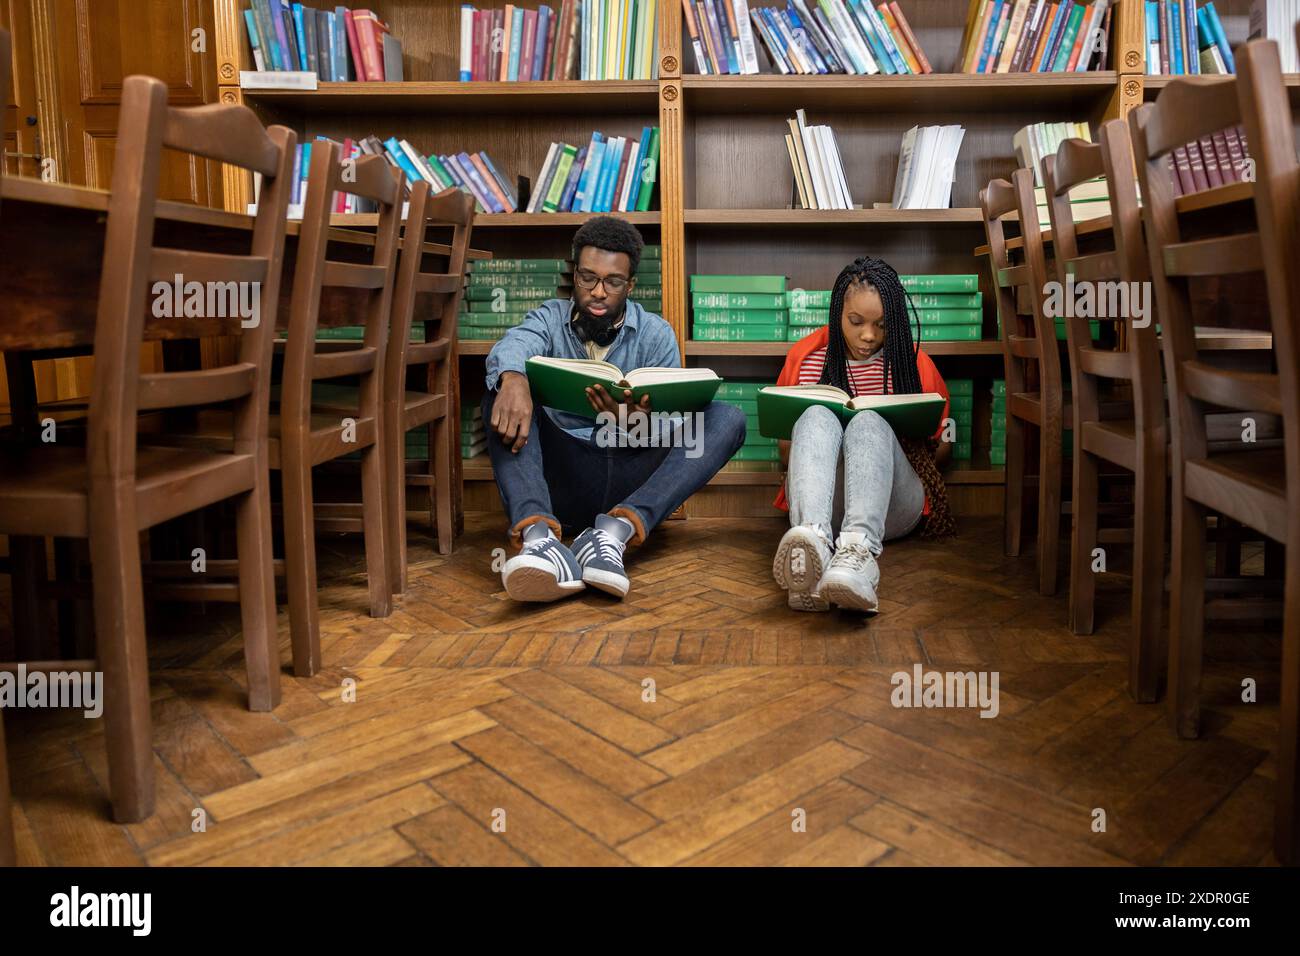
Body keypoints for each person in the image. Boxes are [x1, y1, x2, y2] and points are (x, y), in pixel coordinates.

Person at [482, 216, 746, 602]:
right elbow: (516, 342)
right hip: (564, 474)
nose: (599, 292)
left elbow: (676, 423)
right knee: (501, 391)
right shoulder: (550, 317)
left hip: (632, 472)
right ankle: (540, 541)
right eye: (588, 278)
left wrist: (635, 424)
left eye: (613, 282)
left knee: (728, 418)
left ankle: (613, 533)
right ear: (575, 276)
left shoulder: (656, 334)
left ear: (631, 285)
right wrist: (514, 379)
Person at [772, 256, 956, 614]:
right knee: (815, 413)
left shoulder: (913, 362)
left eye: (881, 325)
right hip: (825, 505)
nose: (868, 335)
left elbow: (944, 447)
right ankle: (812, 552)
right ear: (837, 313)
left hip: (891, 507)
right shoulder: (806, 357)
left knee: (868, 421)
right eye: (855, 322)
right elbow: (785, 454)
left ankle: (859, 555)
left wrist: (888, 446)